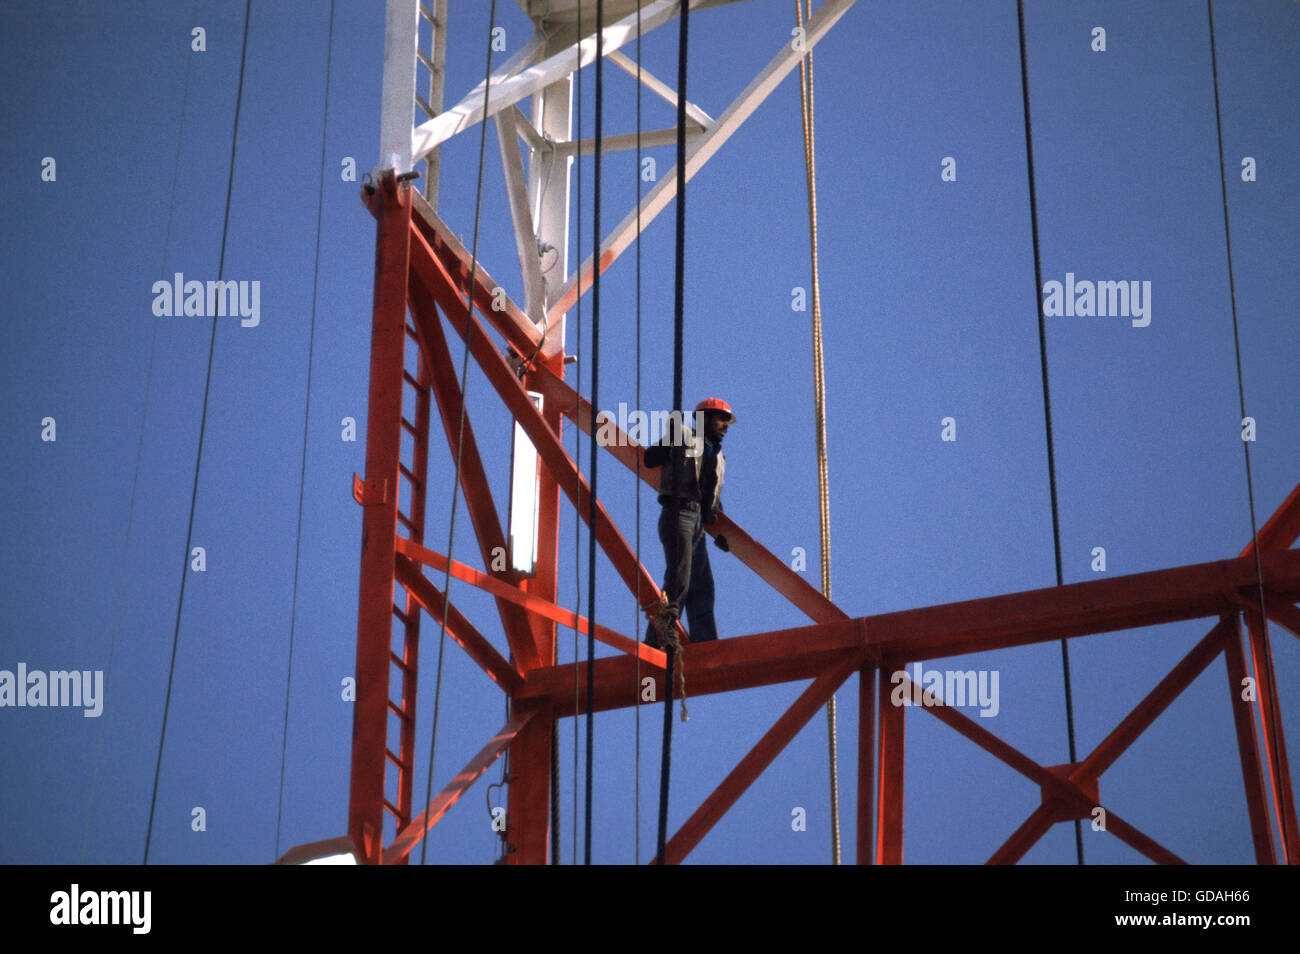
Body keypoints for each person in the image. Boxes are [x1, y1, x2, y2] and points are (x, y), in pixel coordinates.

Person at [643, 398, 734, 649]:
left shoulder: (717, 456)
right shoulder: (683, 436)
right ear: (705, 419)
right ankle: (656, 639)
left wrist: (720, 533)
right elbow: (650, 459)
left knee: (703, 585)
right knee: (679, 580)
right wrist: (670, 439)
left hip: (697, 524)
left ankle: (706, 645)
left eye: (728, 421)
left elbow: (712, 498)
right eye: (722, 419)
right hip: (677, 513)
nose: (726, 426)